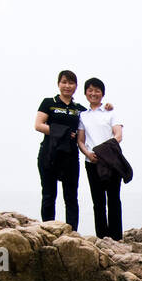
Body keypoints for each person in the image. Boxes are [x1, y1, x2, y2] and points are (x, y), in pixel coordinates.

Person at [34, 71, 86, 231]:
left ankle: (72, 233)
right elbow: (38, 125)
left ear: (76, 86)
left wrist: (107, 107)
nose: (67, 86)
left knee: (71, 197)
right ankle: (48, 231)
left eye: (71, 83)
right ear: (59, 84)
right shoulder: (49, 102)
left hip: (70, 156)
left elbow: (96, 117)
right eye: (64, 82)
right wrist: (63, 132)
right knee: (49, 195)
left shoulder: (79, 109)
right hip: (49, 154)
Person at [77, 77, 126, 240]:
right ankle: (102, 237)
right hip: (92, 162)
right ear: (85, 93)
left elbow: (118, 135)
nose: (93, 93)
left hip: (111, 161)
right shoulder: (82, 115)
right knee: (98, 202)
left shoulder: (110, 112)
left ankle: (116, 237)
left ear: (102, 93)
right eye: (90, 90)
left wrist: (104, 150)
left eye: (97, 90)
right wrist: (87, 153)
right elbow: (80, 140)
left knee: (113, 199)